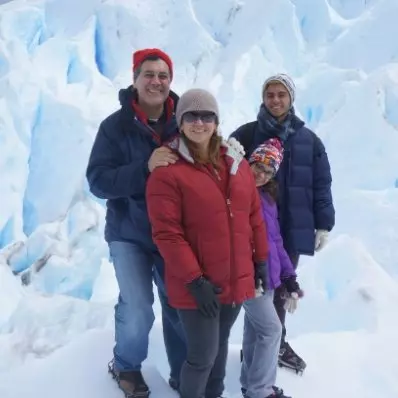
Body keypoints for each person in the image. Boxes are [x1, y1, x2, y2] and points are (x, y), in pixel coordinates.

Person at [146, 88, 269, 398]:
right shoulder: (167, 172)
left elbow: (254, 218)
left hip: (235, 279)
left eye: (206, 116)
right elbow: (167, 234)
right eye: (191, 116)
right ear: (180, 121)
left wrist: (262, 262)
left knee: (219, 350)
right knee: (201, 357)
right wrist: (195, 280)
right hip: (197, 285)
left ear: (216, 121)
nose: (199, 123)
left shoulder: (236, 164)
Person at [86, 48, 186, 398]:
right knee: (139, 305)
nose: (156, 81)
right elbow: (98, 181)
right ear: (135, 79)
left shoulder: (185, 122)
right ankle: (126, 365)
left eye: (162, 75)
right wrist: (145, 166)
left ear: (170, 81)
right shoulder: (114, 127)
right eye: (149, 74)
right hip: (129, 233)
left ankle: (185, 371)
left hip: (173, 233)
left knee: (179, 301)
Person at [230, 73, 335, 372]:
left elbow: (321, 184)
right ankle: (262, 344)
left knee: (280, 285)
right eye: (270, 94)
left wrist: (324, 223)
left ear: (291, 99)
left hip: (292, 226)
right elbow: (221, 168)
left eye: (281, 94)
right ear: (263, 98)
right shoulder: (247, 134)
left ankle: (274, 343)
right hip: (254, 227)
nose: (275, 100)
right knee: (257, 289)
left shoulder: (308, 140)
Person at [240, 138, 304, 398]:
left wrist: (289, 276)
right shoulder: (238, 193)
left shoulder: (267, 199)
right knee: (272, 329)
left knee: (255, 331)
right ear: (249, 163)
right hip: (249, 277)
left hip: (267, 277)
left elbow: (275, 241)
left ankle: (250, 384)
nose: (261, 174)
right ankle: (260, 391)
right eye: (258, 166)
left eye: (268, 171)